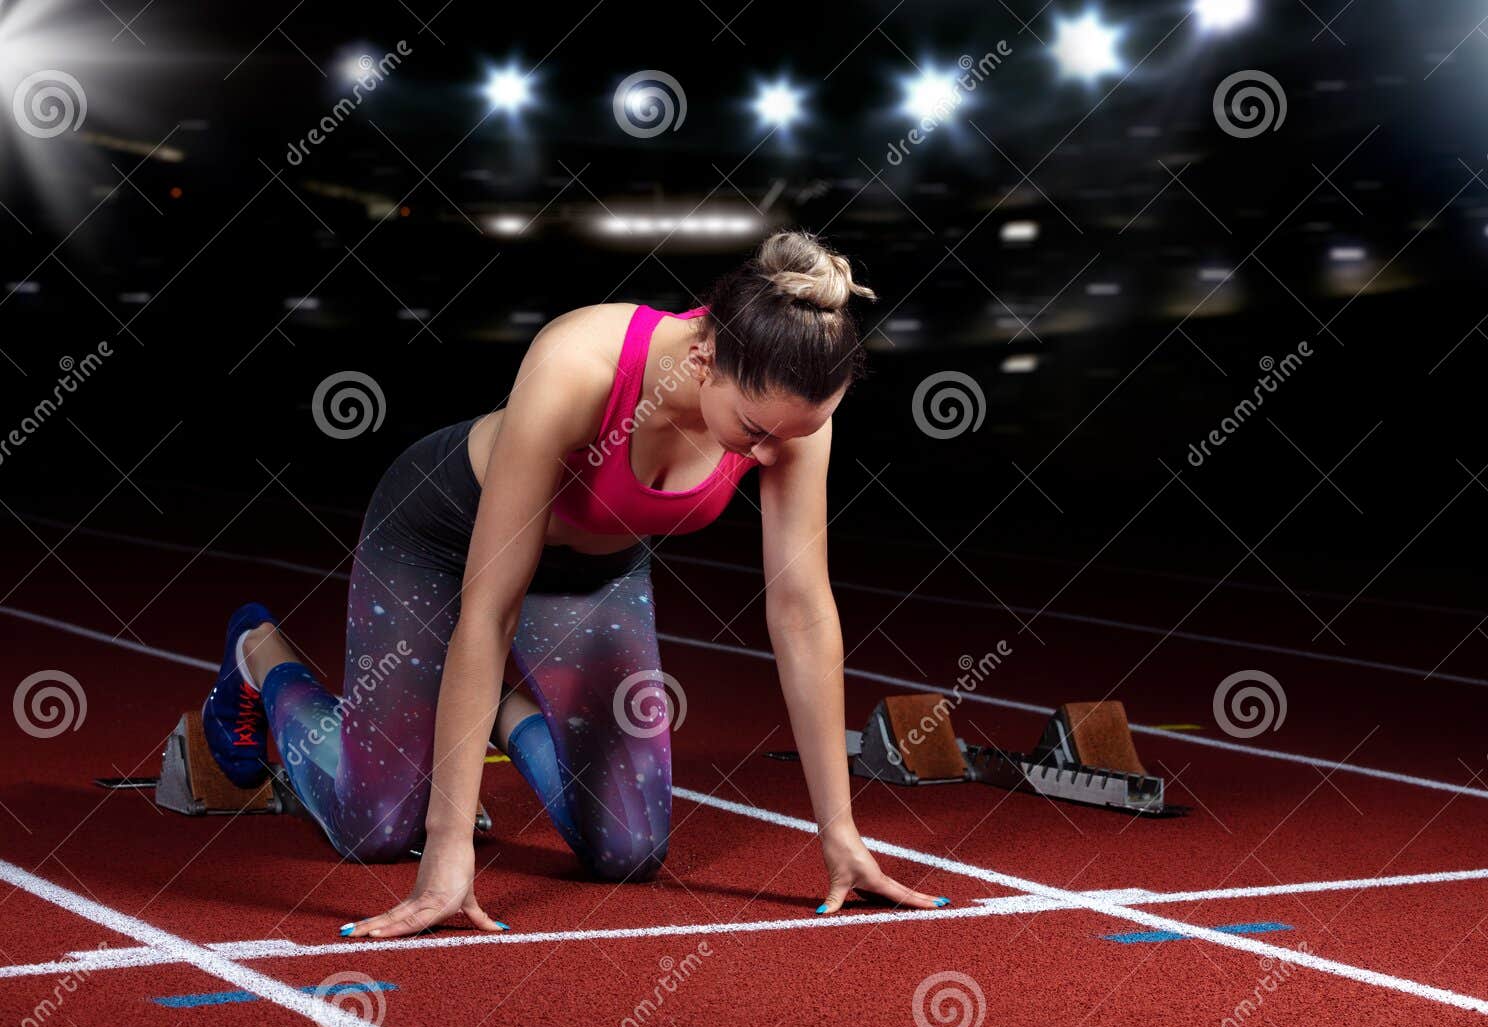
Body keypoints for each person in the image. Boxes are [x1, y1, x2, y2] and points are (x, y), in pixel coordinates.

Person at [200, 231, 949, 938]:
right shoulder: (577, 363)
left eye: (788, 437)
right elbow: (487, 611)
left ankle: (492, 707)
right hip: (440, 536)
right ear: (704, 357)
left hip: (590, 570)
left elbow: (801, 609)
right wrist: (449, 845)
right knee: (376, 827)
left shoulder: (793, 407)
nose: (765, 456)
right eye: (753, 430)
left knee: (627, 849)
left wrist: (840, 833)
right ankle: (259, 653)